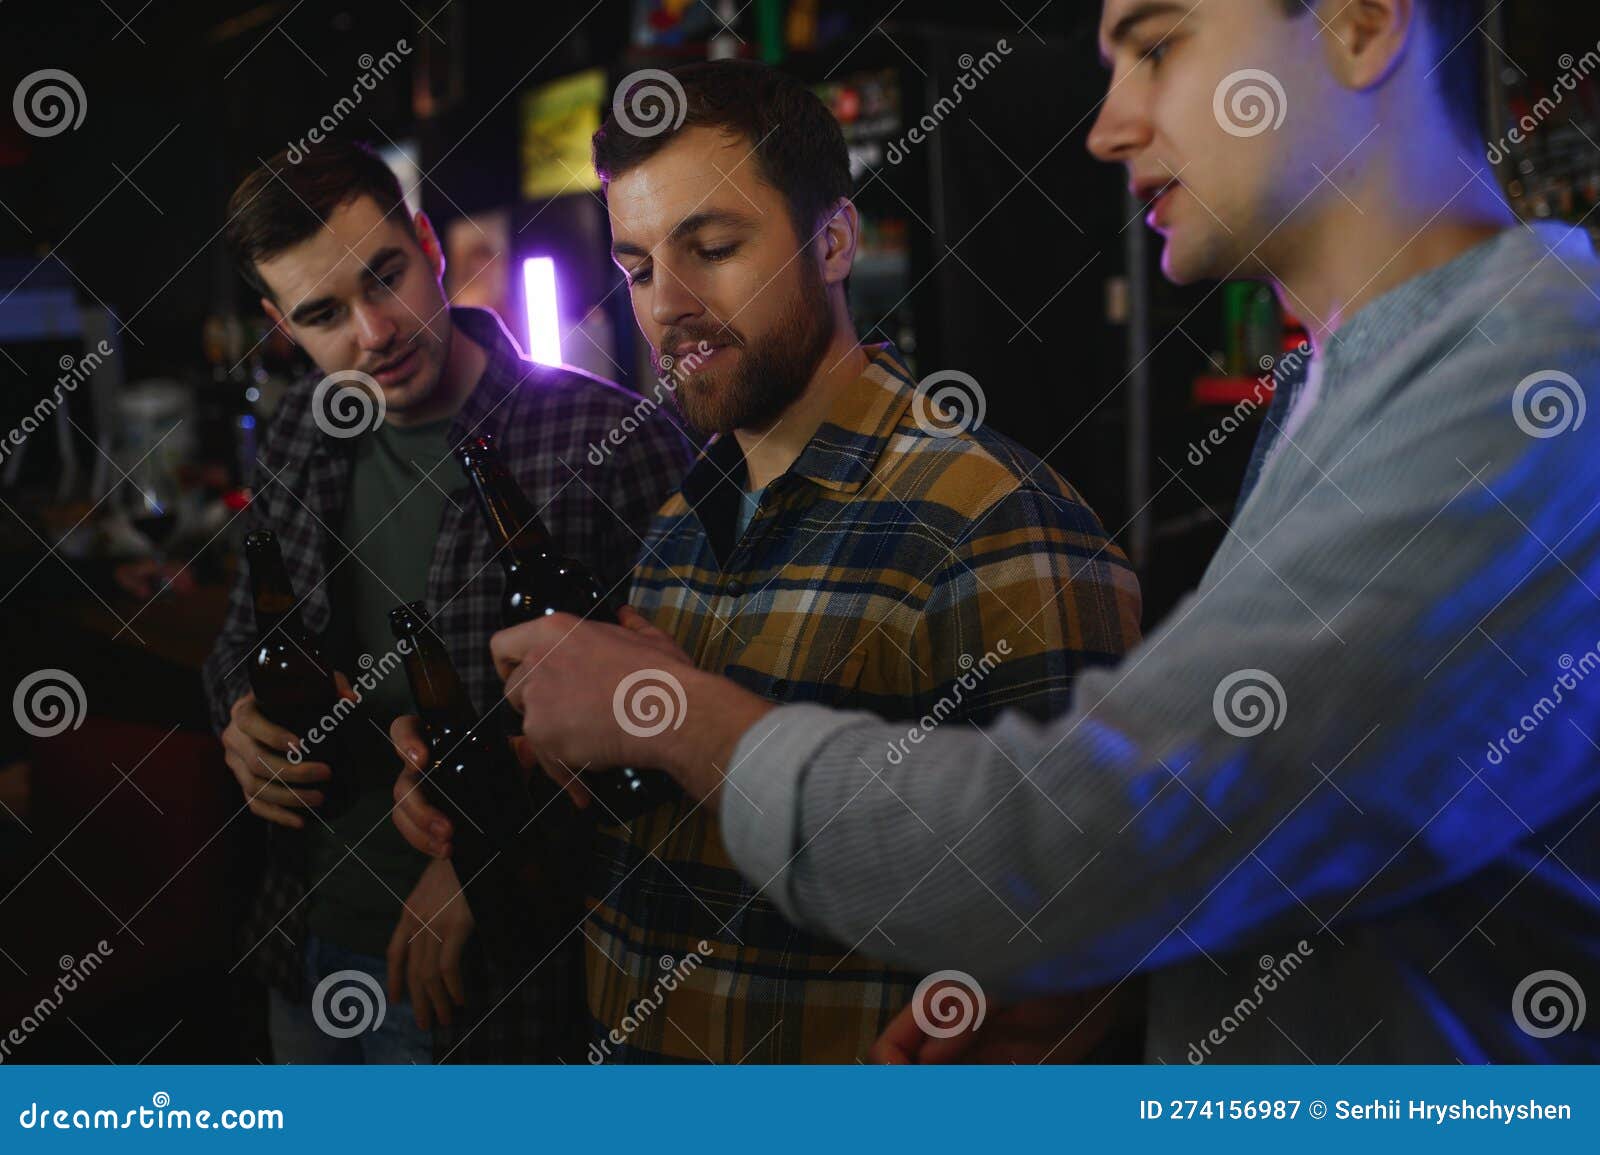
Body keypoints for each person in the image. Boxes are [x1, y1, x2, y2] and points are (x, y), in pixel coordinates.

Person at [476, 0, 1600, 1063]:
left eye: (1155, 45)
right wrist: (1094, 982)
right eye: (634, 267)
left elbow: (1089, 835)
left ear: (1361, 24)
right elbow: (1276, 844)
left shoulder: (1533, 375)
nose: (1110, 125)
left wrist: (674, 719)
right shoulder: (1356, 381)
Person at [390, 60, 1143, 1062]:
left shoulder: (997, 527)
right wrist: (496, 799)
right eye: (640, 265)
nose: (669, 305)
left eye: (713, 247)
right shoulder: (674, 519)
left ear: (833, 242)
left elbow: (1075, 929)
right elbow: (659, 836)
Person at [200, 140, 690, 1063]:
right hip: (305, 942)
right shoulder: (304, 427)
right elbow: (239, 639)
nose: (374, 332)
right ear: (279, 323)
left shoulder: (606, 437)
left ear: (427, 241)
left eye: (385, 277)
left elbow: (674, 726)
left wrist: (486, 853)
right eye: (323, 314)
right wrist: (238, 715)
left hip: (500, 973)